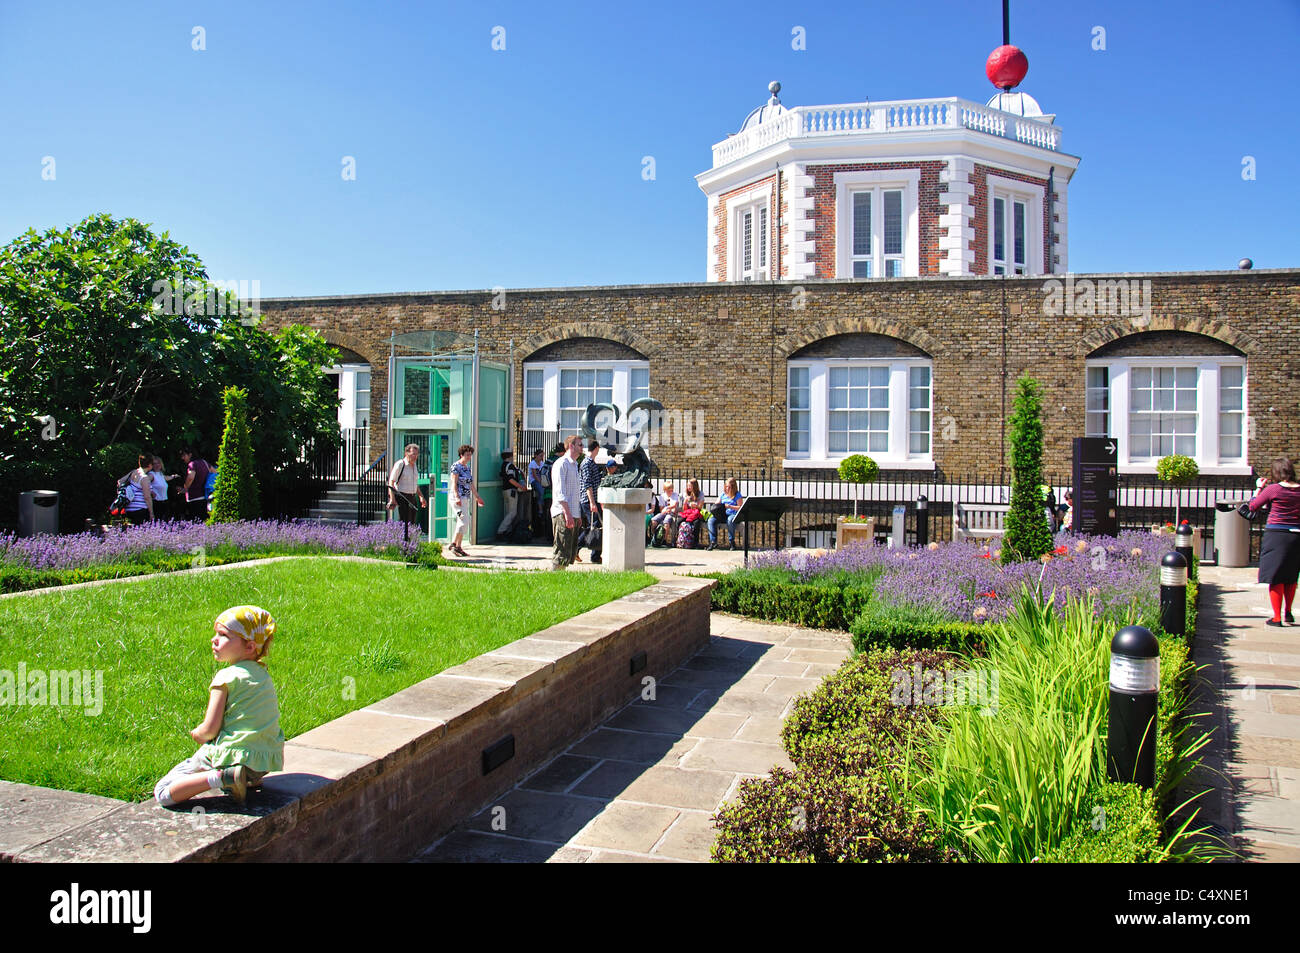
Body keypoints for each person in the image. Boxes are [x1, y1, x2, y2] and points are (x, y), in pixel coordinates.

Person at [154, 606, 284, 807]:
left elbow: (210, 729)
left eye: (223, 635)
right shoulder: (262, 675)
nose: (214, 640)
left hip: (231, 757)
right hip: (263, 761)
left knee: (163, 792)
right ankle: (245, 779)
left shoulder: (225, 678)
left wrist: (199, 733)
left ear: (249, 647)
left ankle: (222, 777)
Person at [1243, 457, 1300, 627]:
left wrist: (1258, 489)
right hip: (1296, 536)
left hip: (1277, 535)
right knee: (1291, 576)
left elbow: (1252, 506)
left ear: (1276, 472)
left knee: (1276, 576)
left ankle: (1276, 617)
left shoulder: (1273, 489)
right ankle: (1288, 613)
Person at [550, 435, 583, 569]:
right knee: (561, 550)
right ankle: (555, 578)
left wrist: (577, 514)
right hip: (562, 513)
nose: (582, 448)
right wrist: (567, 513)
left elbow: (575, 493)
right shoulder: (561, 464)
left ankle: (561, 577)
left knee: (569, 551)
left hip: (573, 513)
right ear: (571, 446)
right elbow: (560, 492)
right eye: (580, 445)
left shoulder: (575, 465)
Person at [449, 444, 485, 558]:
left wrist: (477, 497)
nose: (469, 457)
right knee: (463, 520)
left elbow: (470, 484)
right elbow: (454, 483)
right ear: (461, 455)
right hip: (457, 497)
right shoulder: (456, 466)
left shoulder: (467, 468)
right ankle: (453, 543)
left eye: (470, 454)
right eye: (467, 455)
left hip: (466, 497)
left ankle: (458, 546)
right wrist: (456, 496)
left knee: (466, 522)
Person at [387, 443, 428, 532]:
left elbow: (415, 483)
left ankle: (410, 542)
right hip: (402, 495)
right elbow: (391, 482)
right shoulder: (400, 464)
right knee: (404, 521)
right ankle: (402, 541)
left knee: (412, 522)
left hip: (412, 496)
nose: (415, 456)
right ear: (406, 453)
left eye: (417, 454)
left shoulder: (414, 466)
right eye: (413, 454)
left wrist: (421, 496)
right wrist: (392, 499)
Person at [579, 439, 605, 565]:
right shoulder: (586, 463)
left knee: (596, 526)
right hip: (588, 500)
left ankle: (595, 555)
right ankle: (577, 550)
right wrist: (592, 502)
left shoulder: (591, 463)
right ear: (596, 448)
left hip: (594, 499)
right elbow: (587, 484)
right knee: (593, 527)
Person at [497, 450, 529, 540]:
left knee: (508, 511)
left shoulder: (503, 465)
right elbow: (511, 479)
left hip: (505, 490)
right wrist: (521, 487)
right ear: (510, 456)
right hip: (511, 491)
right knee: (512, 512)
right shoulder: (510, 466)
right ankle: (501, 531)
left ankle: (507, 531)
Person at [708, 477, 745, 550]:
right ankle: (713, 541)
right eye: (726, 486)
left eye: (729, 487)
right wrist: (719, 505)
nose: (727, 488)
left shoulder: (737, 495)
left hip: (732, 514)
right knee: (711, 520)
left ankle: (731, 542)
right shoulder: (723, 494)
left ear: (733, 487)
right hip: (722, 514)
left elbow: (740, 507)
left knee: (730, 520)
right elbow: (717, 503)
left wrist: (730, 506)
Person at [118, 454, 155, 525]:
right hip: (140, 510)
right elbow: (147, 497)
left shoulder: (134, 472)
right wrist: (151, 513)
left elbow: (120, 482)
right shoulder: (144, 478)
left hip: (128, 509)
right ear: (150, 465)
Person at [179, 447, 212, 521]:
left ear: (190, 455)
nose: (182, 458)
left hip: (194, 497)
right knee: (203, 520)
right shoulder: (204, 462)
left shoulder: (192, 464)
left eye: (184, 455)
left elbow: (191, 477)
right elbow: (214, 472)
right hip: (205, 496)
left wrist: (185, 488)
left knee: (195, 520)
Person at [649, 481, 681, 547]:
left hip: (671, 513)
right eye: (668, 489)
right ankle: (655, 538)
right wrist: (666, 509)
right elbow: (661, 508)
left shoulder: (675, 495)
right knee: (654, 520)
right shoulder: (662, 496)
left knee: (666, 521)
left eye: (671, 488)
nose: (670, 490)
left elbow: (675, 505)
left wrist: (668, 508)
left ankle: (664, 540)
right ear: (665, 489)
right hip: (664, 512)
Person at [527, 448, 549, 539]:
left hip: (541, 480)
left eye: (542, 456)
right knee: (541, 491)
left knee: (544, 490)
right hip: (534, 481)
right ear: (536, 455)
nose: (541, 457)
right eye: (540, 455)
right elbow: (535, 475)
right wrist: (541, 482)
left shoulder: (542, 463)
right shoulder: (533, 463)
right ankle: (540, 508)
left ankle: (542, 505)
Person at [149, 456, 176, 521]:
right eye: (154, 463)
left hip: (165, 502)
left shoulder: (161, 474)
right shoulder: (151, 474)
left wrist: (174, 476)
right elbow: (146, 482)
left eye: (158, 463)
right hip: (157, 503)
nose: (157, 465)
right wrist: (151, 491)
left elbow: (167, 478)